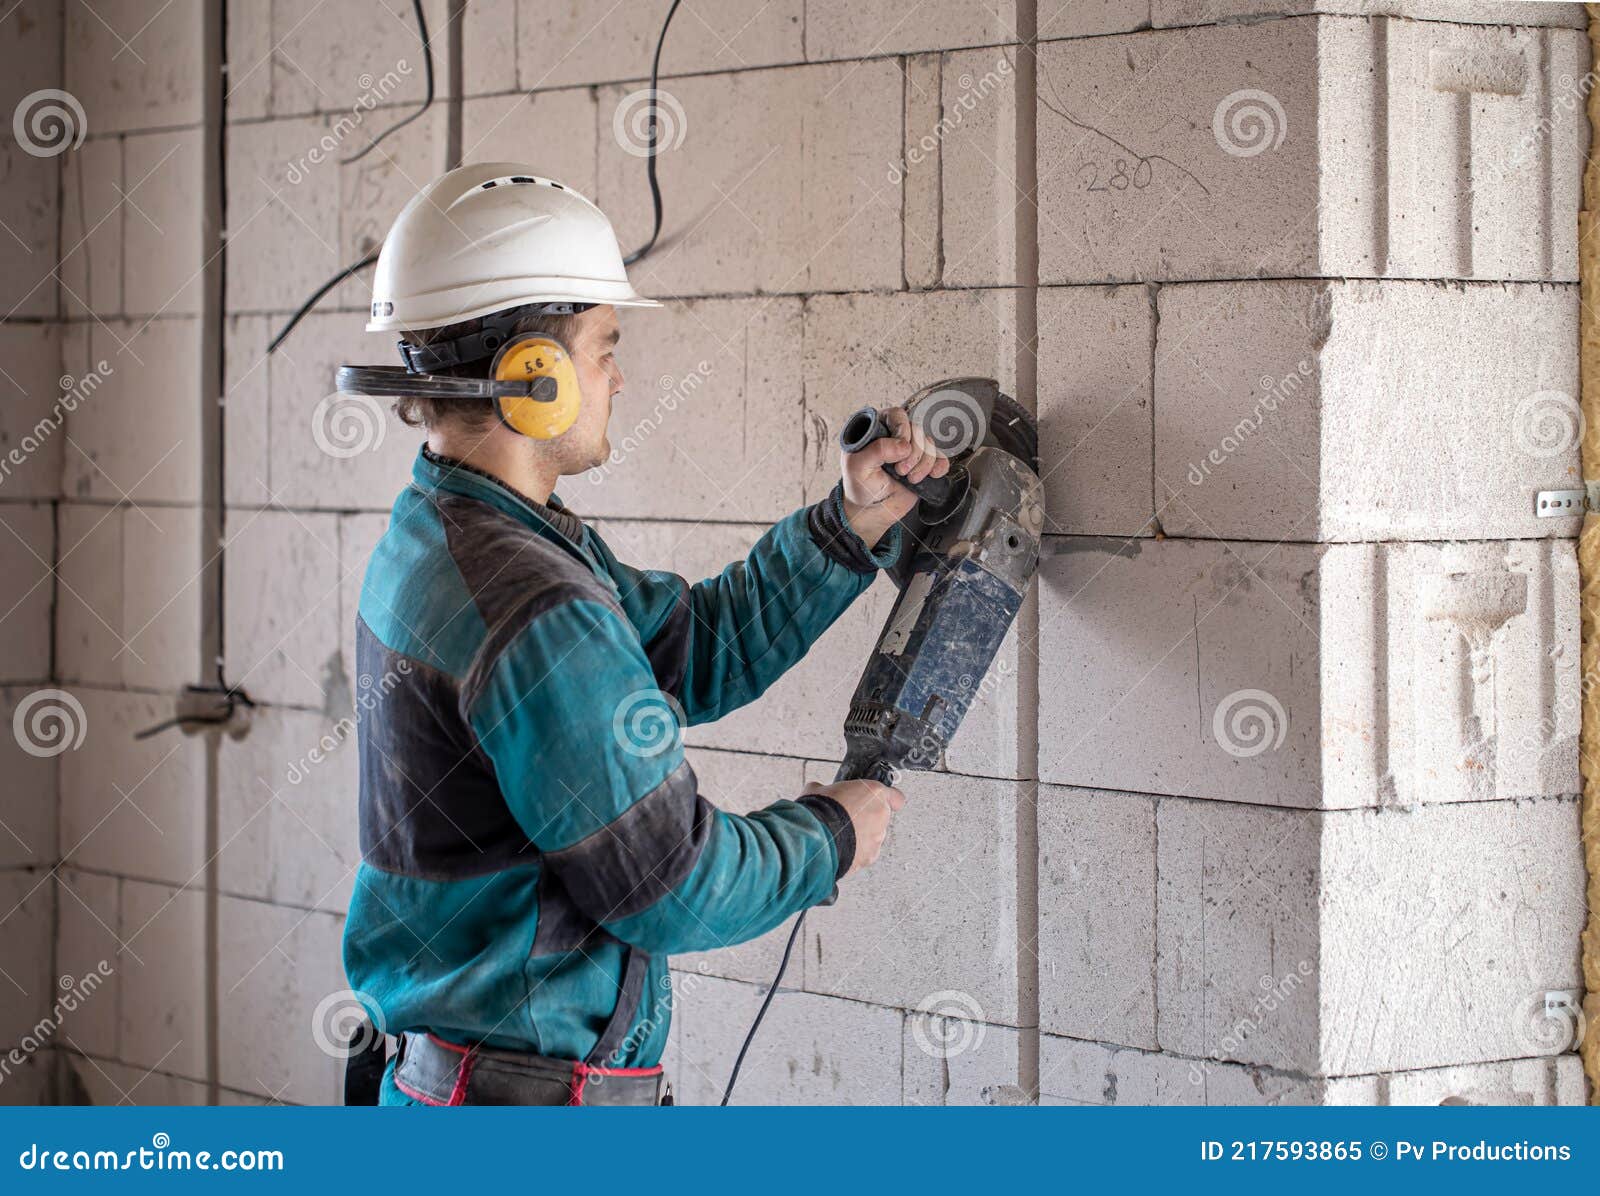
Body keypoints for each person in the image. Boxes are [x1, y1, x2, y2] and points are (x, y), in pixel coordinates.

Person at [341, 163, 947, 1106]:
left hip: (455, 1088)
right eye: (603, 348)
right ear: (532, 378)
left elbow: (683, 649)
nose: (618, 378)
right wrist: (831, 834)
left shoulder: (446, 531)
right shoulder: (530, 600)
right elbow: (671, 884)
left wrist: (851, 520)